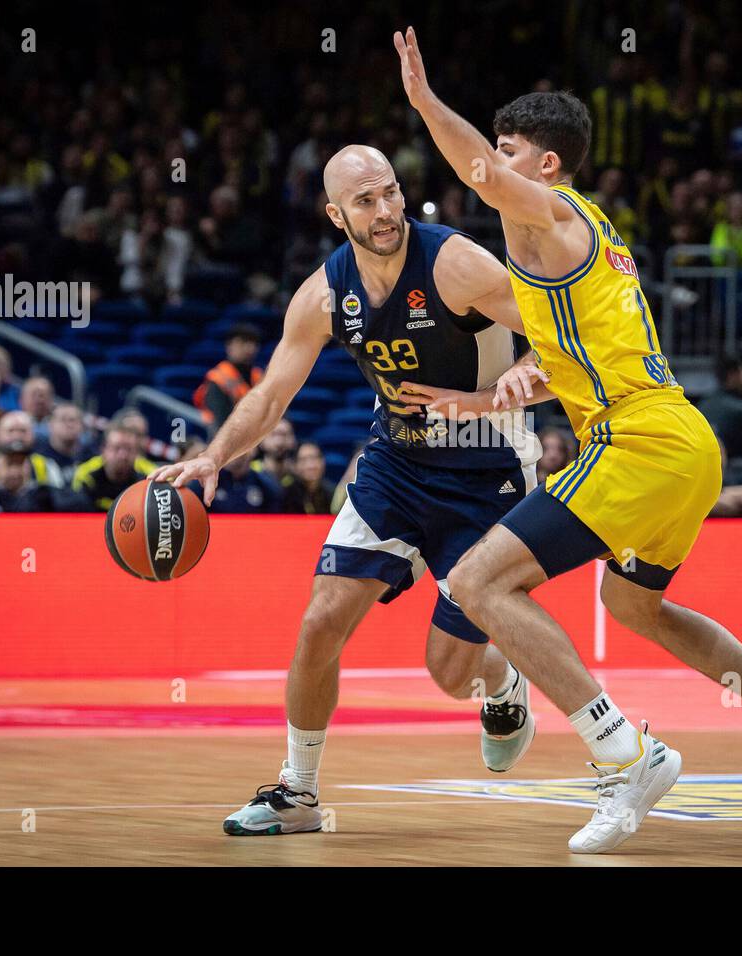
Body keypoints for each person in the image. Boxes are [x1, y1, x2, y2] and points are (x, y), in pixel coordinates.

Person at [392, 28, 742, 854]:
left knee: (476, 583)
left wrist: (428, 105)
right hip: (682, 442)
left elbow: (476, 173)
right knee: (631, 603)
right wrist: (499, 389)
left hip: (638, 442)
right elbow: (577, 352)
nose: (492, 164)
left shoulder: (551, 211)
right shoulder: (582, 236)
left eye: (509, 151)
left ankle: (625, 755)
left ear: (545, 165)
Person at [152, 144, 543, 837]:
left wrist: (499, 393)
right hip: (395, 464)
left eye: (391, 193)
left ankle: (504, 687)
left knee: (448, 672)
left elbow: (567, 339)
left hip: (490, 471)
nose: (386, 210)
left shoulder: (455, 263)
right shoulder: (326, 294)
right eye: (366, 201)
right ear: (336, 213)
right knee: (319, 621)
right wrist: (215, 457)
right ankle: (298, 792)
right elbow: (272, 393)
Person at [71, 423, 154, 512]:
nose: (123, 455)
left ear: (137, 453)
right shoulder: (85, 475)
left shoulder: (149, 478)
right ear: (104, 450)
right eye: (117, 448)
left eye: (128, 449)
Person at [193, 324, 264, 427]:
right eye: (243, 342)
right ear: (229, 345)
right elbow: (219, 420)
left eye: (254, 343)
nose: (249, 348)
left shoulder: (259, 376)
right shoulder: (218, 378)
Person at [279, 442, 334, 514]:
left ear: (323, 461)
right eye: (303, 460)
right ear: (295, 465)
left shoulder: (331, 492)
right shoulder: (285, 494)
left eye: (314, 458)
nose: (310, 466)